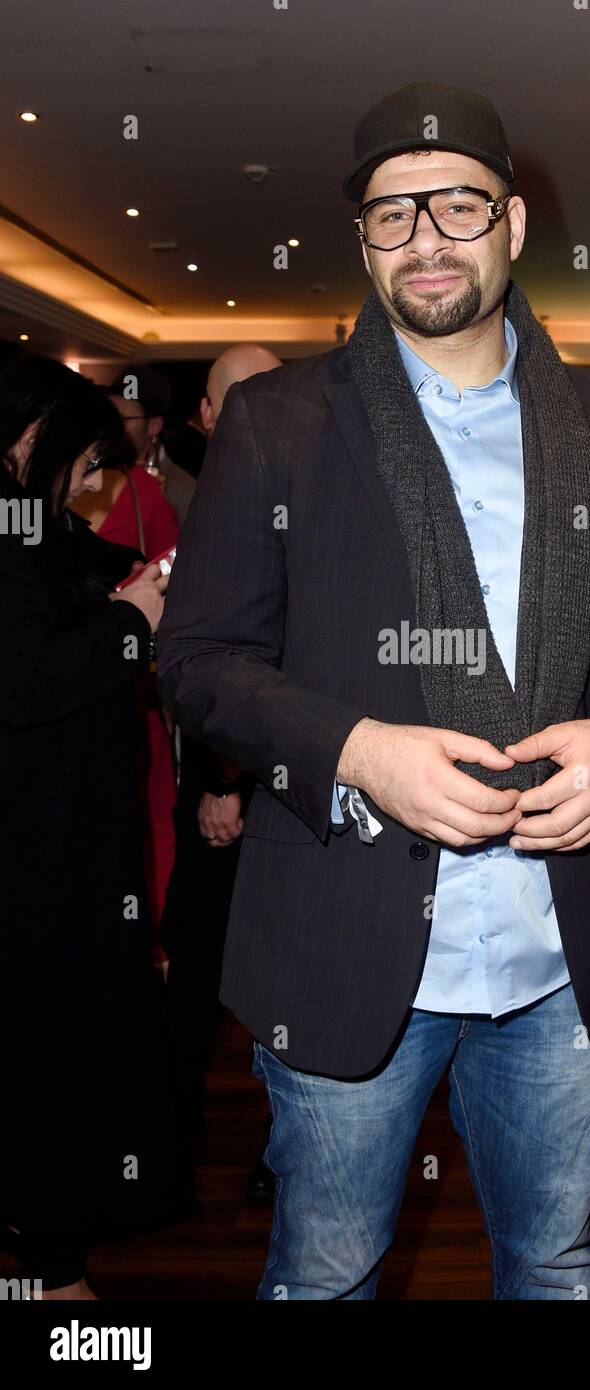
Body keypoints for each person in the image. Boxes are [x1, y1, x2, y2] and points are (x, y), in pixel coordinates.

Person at [158, 82, 590, 1301]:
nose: (426, 238)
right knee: (325, 1272)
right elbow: (196, 660)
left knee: (557, 1263)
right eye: (392, 214)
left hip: (564, 952)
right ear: (362, 241)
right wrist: (357, 748)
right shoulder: (276, 426)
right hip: (348, 944)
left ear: (513, 223)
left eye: (456, 204)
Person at [0, 356, 182, 1299]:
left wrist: (143, 590)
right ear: (31, 437)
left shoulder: (26, 521)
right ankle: (56, 1274)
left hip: (57, 849)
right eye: (82, 460)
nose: (94, 482)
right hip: (36, 861)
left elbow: (71, 572)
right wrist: (131, 626)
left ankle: (50, 1258)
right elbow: (21, 681)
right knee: (46, 1057)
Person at [160, 345, 280, 1183]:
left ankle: (290, 1156)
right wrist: (218, 782)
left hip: (303, 795)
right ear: (205, 417)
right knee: (199, 973)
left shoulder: (321, 494)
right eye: (232, 401)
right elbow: (200, 664)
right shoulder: (196, 511)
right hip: (228, 788)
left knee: (289, 985)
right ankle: (168, 1145)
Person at [70, 429, 180, 965]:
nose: (91, 478)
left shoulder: (141, 488)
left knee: (149, 816)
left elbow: (151, 568)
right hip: (74, 705)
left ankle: (151, 946)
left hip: (130, 692)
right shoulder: (30, 512)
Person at [107, 363, 197, 525]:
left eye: (121, 420)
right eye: (108, 417)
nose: (111, 428)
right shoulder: (97, 478)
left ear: (154, 425)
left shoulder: (182, 491)